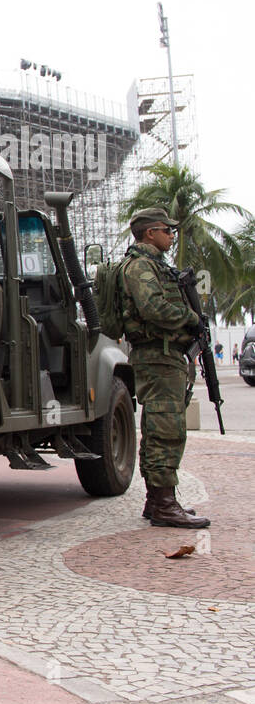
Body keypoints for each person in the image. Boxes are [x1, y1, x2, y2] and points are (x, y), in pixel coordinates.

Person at [120, 207, 211, 528]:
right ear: (149, 233)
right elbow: (153, 308)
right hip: (157, 357)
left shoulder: (155, 266)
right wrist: (192, 319)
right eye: (167, 230)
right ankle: (164, 504)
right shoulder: (141, 267)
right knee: (166, 429)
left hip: (166, 356)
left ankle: (157, 501)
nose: (172, 235)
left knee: (164, 427)